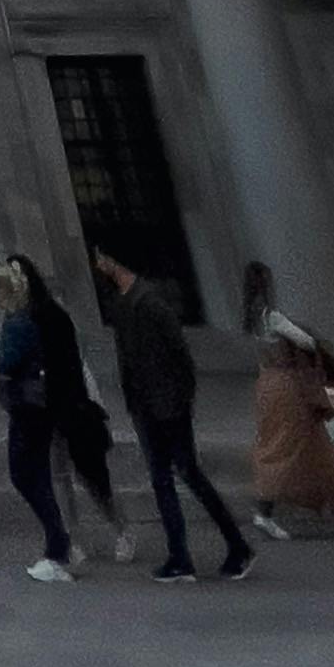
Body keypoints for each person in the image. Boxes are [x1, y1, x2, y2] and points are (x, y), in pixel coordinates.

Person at [91, 247, 251, 582]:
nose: (98, 267)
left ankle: (219, 548)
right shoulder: (125, 303)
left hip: (164, 404)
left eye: (100, 260)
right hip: (147, 404)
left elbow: (179, 353)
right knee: (169, 478)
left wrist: (178, 400)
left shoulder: (149, 302)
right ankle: (187, 555)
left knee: (184, 474)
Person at [242, 262, 334, 546]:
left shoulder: (250, 322)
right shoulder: (273, 318)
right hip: (290, 391)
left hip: (267, 388)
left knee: (280, 450)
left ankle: (265, 512)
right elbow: (307, 342)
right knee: (321, 455)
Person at [14, 248, 134, 562]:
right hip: (44, 407)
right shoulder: (21, 319)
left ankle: (121, 530)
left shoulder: (50, 316)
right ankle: (72, 539)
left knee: (92, 477)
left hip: (69, 405)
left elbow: (69, 365)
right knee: (61, 479)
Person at [0, 257, 75, 580]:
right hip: (38, 405)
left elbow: (7, 363)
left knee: (25, 474)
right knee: (36, 474)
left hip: (27, 407)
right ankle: (58, 543)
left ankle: (58, 544)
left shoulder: (18, 323)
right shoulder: (30, 317)